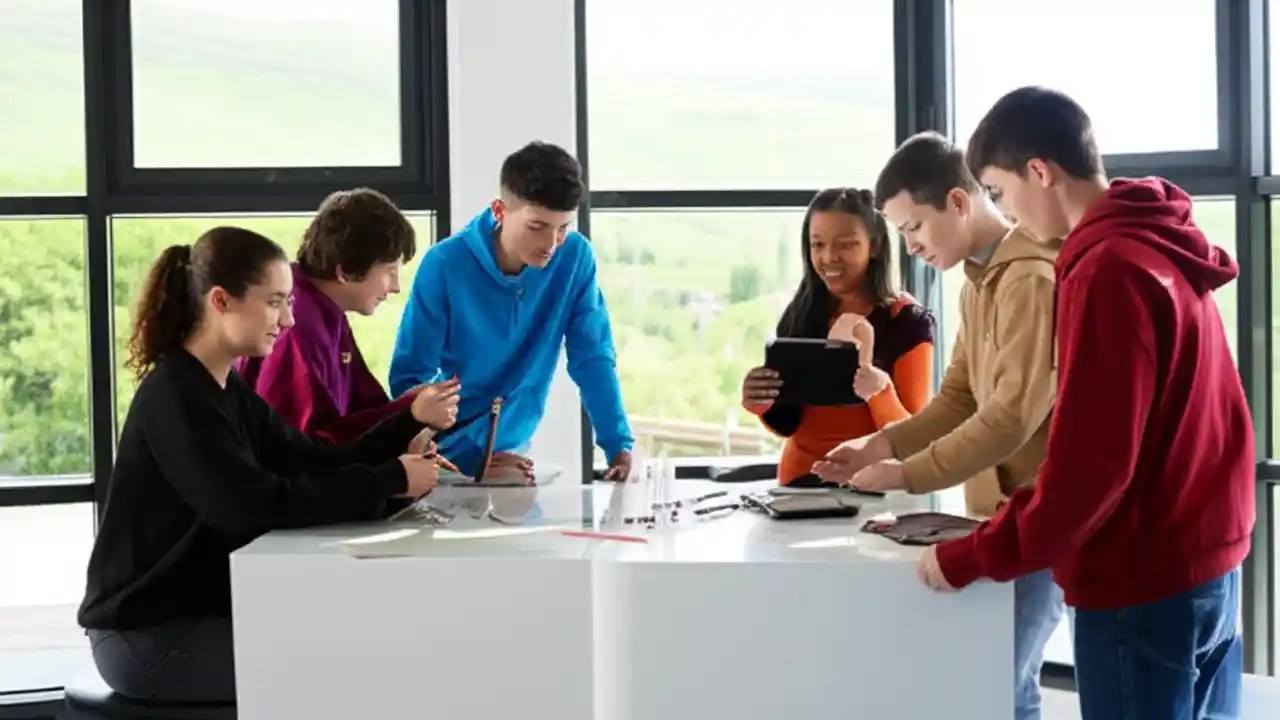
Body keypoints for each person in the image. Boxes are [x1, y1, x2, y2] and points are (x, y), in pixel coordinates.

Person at [917, 87, 1253, 719]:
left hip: (1140, 588)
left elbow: (1088, 471)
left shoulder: (1104, 270)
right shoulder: (1161, 247)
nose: (1007, 213)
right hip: (1211, 572)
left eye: (999, 190)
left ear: (1040, 171)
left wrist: (969, 556)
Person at [78, 227, 455, 703]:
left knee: (362, 646)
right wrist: (391, 478)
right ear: (221, 301)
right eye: (275, 302)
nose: (290, 320)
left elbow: (312, 459)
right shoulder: (176, 397)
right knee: (350, 670)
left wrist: (406, 422)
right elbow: (251, 505)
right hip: (145, 638)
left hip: (196, 617)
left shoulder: (224, 390)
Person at [811, 133, 1062, 720]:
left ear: (957, 202)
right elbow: (957, 398)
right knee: (988, 683)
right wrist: (876, 443)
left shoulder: (1029, 279)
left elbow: (1010, 417)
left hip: (1036, 515)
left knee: (1004, 690)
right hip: (994, 516)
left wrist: (906, 471)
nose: (911, 245)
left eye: (913, 228)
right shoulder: (982, 282)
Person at [389, 141, 634, 481]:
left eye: (563, 228)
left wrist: (618, 445)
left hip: (512, 457)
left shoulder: (575, 258)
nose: (552, 244)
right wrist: (460, 462)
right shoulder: (444, 264)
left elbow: (592, 357)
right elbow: (410, 378)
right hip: (443, 458)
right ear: (501, 211)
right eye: (537, 227)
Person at [740, 187, 935, 485]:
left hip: (876, 487)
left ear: (875, 246)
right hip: (800, 484)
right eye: (817, 245)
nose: (829, 257)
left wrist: (880, 393)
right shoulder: (801, 312)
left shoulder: (908, 322)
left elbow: (914, 440)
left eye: (846, 245)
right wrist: (761, 402)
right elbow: (789, 422)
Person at [236, 188, 460, 444]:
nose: (396, 286)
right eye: (389, 271)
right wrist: (410, 414)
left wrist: (410, 412)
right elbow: (308, 445)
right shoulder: (297, 323)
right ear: (346, 272)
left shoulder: (328, 311)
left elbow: (363, 405)